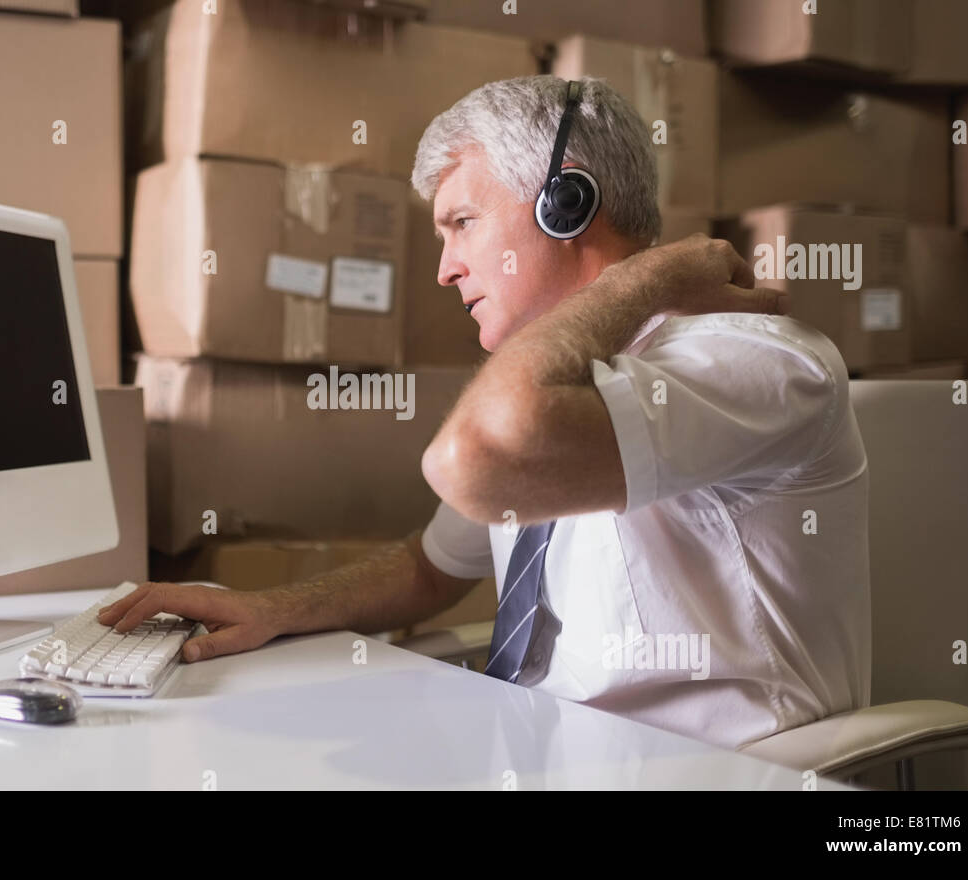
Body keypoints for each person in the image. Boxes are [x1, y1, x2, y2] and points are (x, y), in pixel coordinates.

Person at [100, 75, 870, 751]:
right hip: (545, 757)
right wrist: (267, 609)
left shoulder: (752, 362)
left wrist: (648, 278)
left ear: (567, 204)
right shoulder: (551, 384)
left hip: (709, 774)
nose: (445, 268)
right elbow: (427, 568)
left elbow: (473, 459)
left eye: (462, 223)